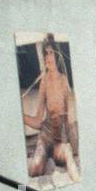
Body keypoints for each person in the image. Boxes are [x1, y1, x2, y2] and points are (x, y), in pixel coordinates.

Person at [22, 35, 78, 182]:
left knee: (68, 154)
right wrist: (19, 116)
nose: (48, 57)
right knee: (35, 169)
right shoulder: (44, 81)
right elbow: (37, 120)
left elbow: (68, 120)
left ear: (57, 56)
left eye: (51, 53)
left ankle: (72, 174)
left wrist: (72, 144)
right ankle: (43, 160)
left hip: (60, 139)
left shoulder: (63, 80)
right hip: (45, 137)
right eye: (45, 54)